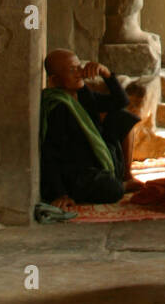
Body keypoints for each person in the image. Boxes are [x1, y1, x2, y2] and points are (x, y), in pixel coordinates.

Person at [39, 50, 141, 209]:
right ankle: (123, 186)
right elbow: (51, 153)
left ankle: (126, 176)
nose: (79, 73)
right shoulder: (58, 107)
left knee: (122, 117)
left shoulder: (82, 94)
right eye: (71, 70)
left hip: (99, 160)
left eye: (79, 67)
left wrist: (107, 75)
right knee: (112, 189)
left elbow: (121, 101)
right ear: (54, 80)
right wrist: (60, 193)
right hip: (80, 173)